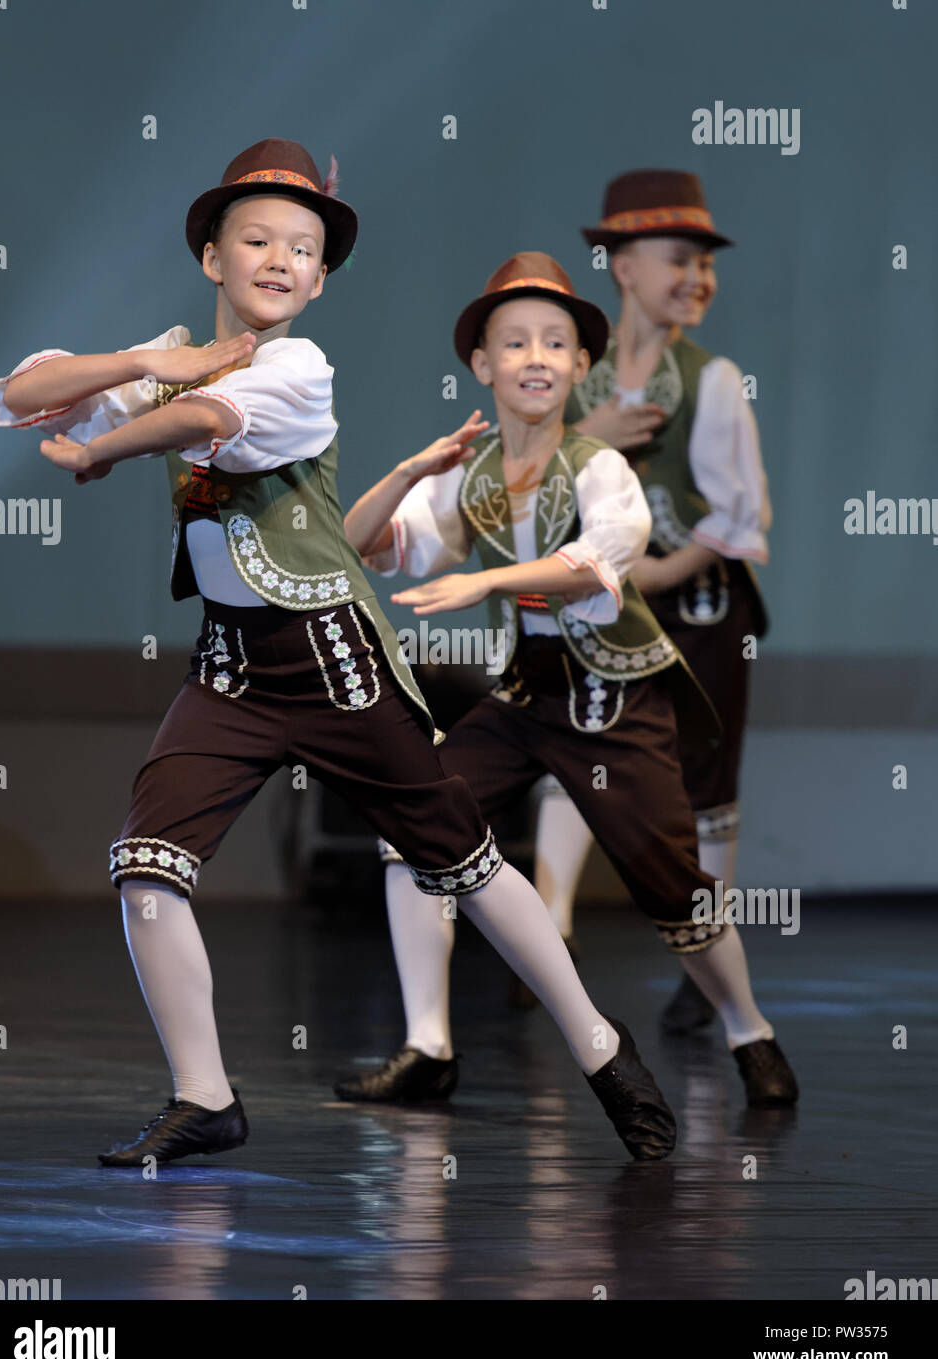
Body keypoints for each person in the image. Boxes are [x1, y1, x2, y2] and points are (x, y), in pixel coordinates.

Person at [0, 140, 679, 1166]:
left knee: (463, 863)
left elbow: (212, 416)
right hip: (228, 666)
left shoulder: (297, 367)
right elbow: (16, 391)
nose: (279, 259)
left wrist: (104, 441)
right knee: (144, 868)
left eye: (301, 248)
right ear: (212, 256)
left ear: (318, 276)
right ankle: (205, 1097)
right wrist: (139, 364)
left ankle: (599, 1043)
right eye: (256, 238)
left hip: (331, 660)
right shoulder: (176, 351)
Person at [334, 251, 797, 1111]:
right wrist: (405, 473)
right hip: (528, 695)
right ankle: (427, 1043)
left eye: (555, 343)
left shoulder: (598, 466)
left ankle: (748, 1029)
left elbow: (596, 564)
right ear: (482, 365)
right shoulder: (468, 475)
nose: (536, 358)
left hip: (615, 697)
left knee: (675, 893)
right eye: (515, 344)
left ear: (581, 366)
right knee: (412, 823)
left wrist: (482, 582)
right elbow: (365, 543)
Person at [533, 169, 773, 1034]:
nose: (697, 278)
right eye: (678, 259)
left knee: (703, 782)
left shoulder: (711, 381)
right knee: (575, 743)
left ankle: (704, 960)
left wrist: (641, 580)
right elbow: (521, 479)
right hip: (610, 601)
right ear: (621, 265)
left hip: (698, 605)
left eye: (705, 264)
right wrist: (583, 441)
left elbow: (738, 523)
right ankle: (550, 929)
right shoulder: (575, 383)